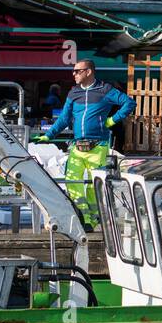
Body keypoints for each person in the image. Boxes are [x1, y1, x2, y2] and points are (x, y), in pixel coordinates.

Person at [32, 60, 135, 229]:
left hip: (98, 146)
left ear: (88, 72)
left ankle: (94, 219)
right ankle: (84, 218)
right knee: (72, 181)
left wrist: (112, 120)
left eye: (77, 71)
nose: (73, 74)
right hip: (77, 146)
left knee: (95, 184)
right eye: (73, 71)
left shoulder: (105, 89)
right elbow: (64, 118)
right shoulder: (73, 93)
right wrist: (48, 136)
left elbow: (129, 103)